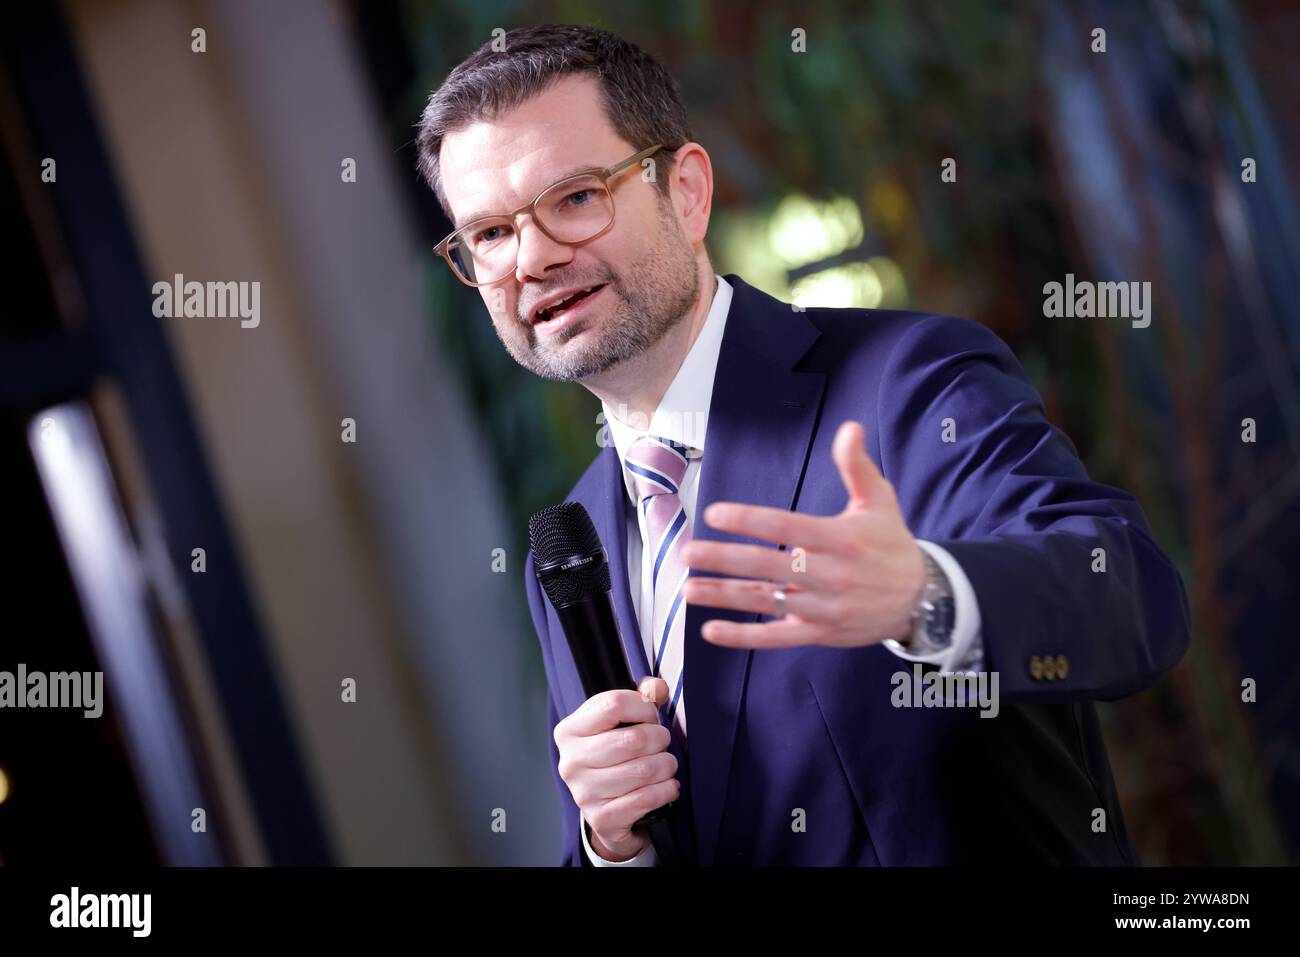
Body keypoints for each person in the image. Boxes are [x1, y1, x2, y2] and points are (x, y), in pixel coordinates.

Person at [415, 24, 1190, 866]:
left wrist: (926, 594)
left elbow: (1135, 601)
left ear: (688, 192)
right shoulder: (569, 548)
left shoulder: (905, 382)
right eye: (490, 234)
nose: (532, 257)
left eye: (574, 197)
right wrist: (610, 842)